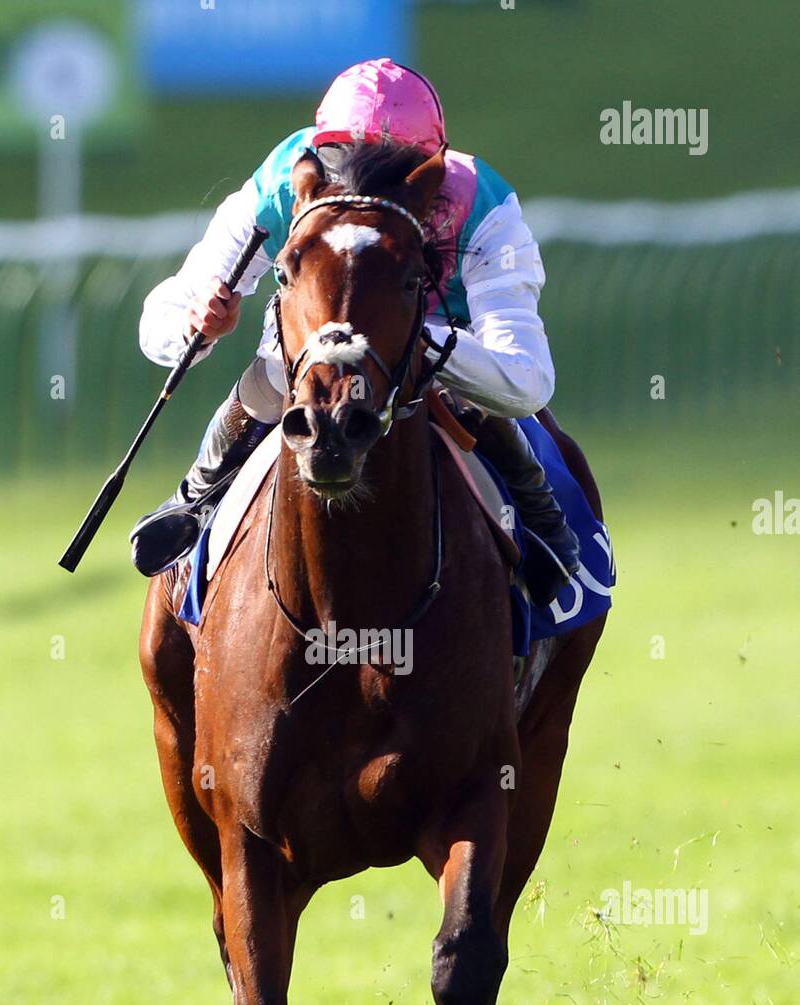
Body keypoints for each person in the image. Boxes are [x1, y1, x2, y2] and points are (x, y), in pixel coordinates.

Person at [131, 57, 580, 604]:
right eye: (342, 167)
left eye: (388, 176)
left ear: (427, 173)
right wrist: (199, 321)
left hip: (426, 338)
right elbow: (159, 324)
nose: (359, 190)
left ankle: (540, 517)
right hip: (306, 346)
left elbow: (525, 382)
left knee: (468, 400)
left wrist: (414, 341)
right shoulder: (278, 186)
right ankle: (196, 498)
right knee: (274, 372)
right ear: (318, 159)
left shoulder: (483, 210)